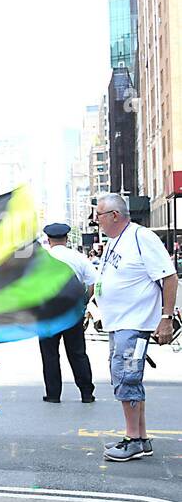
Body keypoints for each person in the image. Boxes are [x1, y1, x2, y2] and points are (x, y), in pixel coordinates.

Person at [93, 194, 179, 461]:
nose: (98, 222)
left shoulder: (142, 238)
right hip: (120, 323)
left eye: (100, 216)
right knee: (128, 379)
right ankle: (140, 439)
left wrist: (165, 318)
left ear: (115, 215)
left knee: (126, 378)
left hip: (134, 323)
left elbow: (169, 277)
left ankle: (132, 440)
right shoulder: (114, 242)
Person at [38, 222, 96, 404]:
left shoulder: (41, 260)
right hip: (72, 311)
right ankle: (86, 392)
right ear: (67, 238)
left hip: (47, 314)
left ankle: (53, 394)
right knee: (77, 352)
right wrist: (84, 301)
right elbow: (93, 283)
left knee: (50, 354)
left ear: (48, 240)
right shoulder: (78, 258)